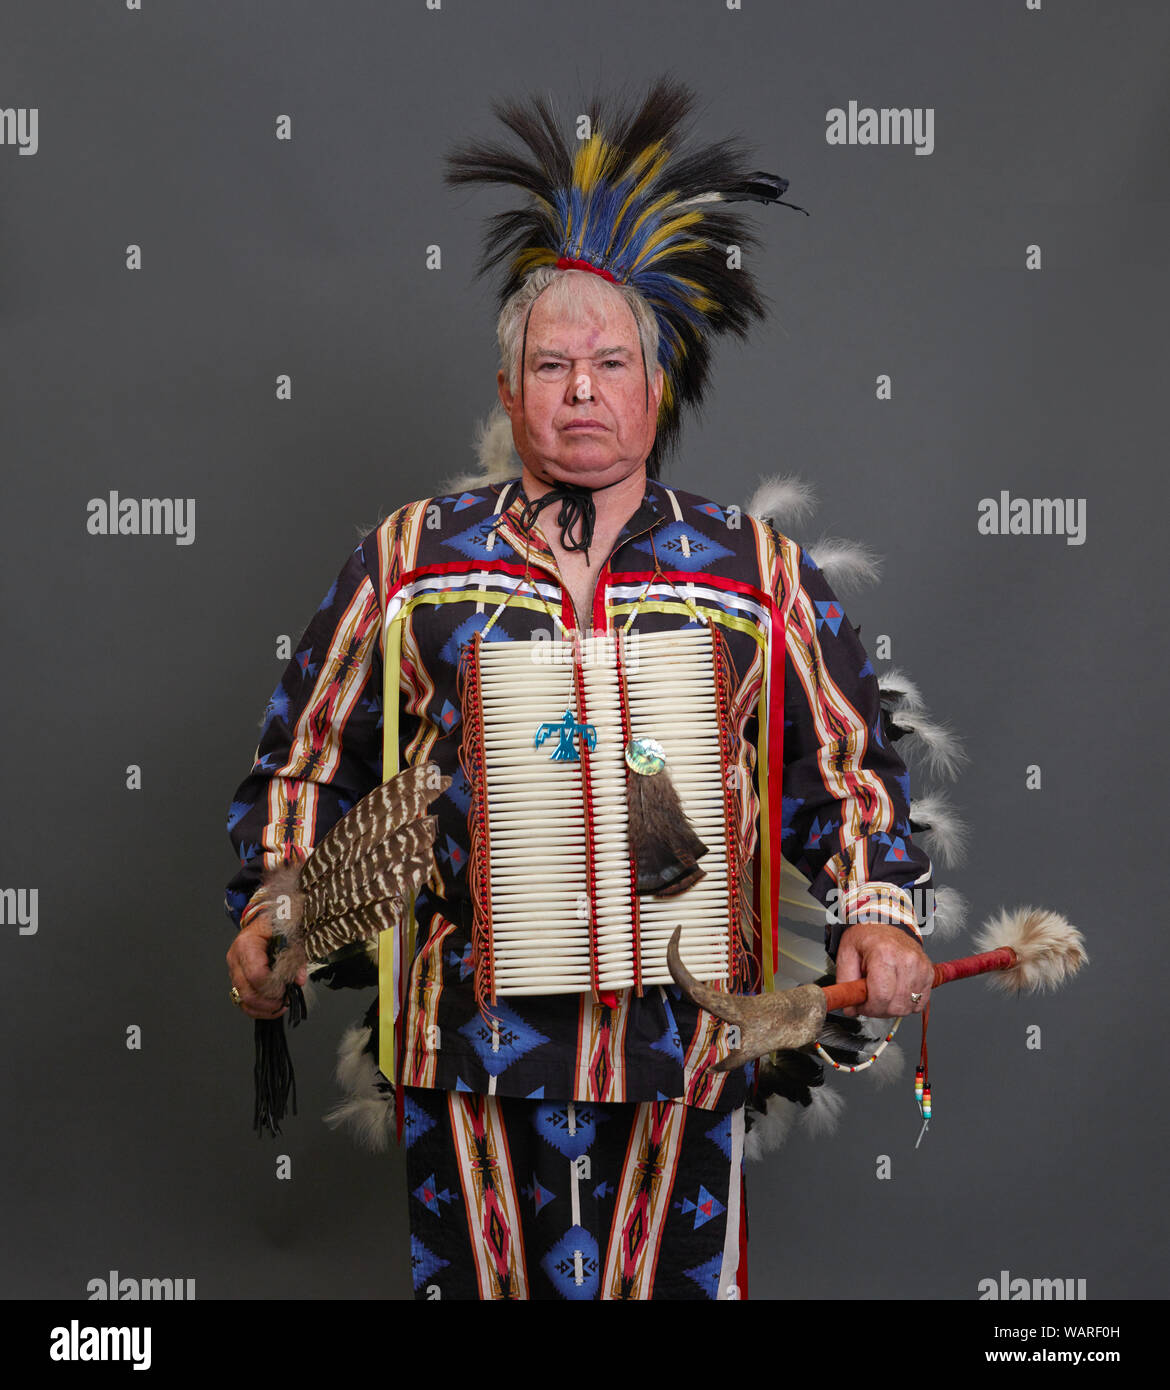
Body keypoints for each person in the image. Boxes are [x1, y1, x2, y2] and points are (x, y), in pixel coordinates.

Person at [224, 79, 935, 1300]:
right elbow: (308, 752)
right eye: (552, 363)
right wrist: (271, 906)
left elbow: (847, 761)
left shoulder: (753, 571)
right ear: (511, 390)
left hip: (684, 1030)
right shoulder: (413, 560)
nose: (583, 389)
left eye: (613, 361)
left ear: (662, 385)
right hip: (469, 1039)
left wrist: (879, 910)